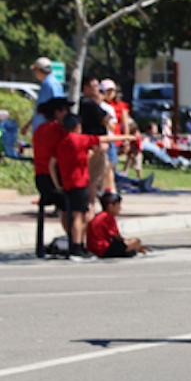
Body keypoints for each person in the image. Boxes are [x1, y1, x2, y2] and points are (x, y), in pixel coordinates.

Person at [49, 113, 133, 261]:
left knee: (72, 214)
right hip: (80, 182)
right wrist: (126, 137)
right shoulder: (79, 139)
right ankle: (77, 245)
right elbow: (103, 139)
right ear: (77, 126)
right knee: (78, 215)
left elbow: (52, 164)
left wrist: (57, 183)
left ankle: (76, 243)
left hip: (67, 183)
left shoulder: (61, 142)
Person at [32, 98, 72, 242]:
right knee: (77, 205)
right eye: (66, 110)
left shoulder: (39, 130)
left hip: (41, 179)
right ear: (58, 113)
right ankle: (76, 240)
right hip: (55, 178)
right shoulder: (59, 130)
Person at [78, 75, 112, 211]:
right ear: (85, 88)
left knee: (98, 178)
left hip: (93, 144)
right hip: (95, 144)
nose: (98, 89)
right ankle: (90, 207)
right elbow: (106, 118)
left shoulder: (82, 102)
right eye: (94, 86)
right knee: (94, 179)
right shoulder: (89, 103)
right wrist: (99, 101)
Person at [86, 191, 147, 257]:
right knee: (136, 241)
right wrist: (128, 243)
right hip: (103, 249)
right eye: (118, 205)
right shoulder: (107, 217)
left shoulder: (98, 216)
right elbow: (116, 236)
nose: (120, 208)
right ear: (110, 206)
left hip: (92, 248)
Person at [21, 56, 65, 137]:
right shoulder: (47, 83)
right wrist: (28, 125)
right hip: (43, 130)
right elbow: (40, 108)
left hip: (47, 131)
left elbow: (57, 106)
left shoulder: (49, 84)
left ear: (38, 71)